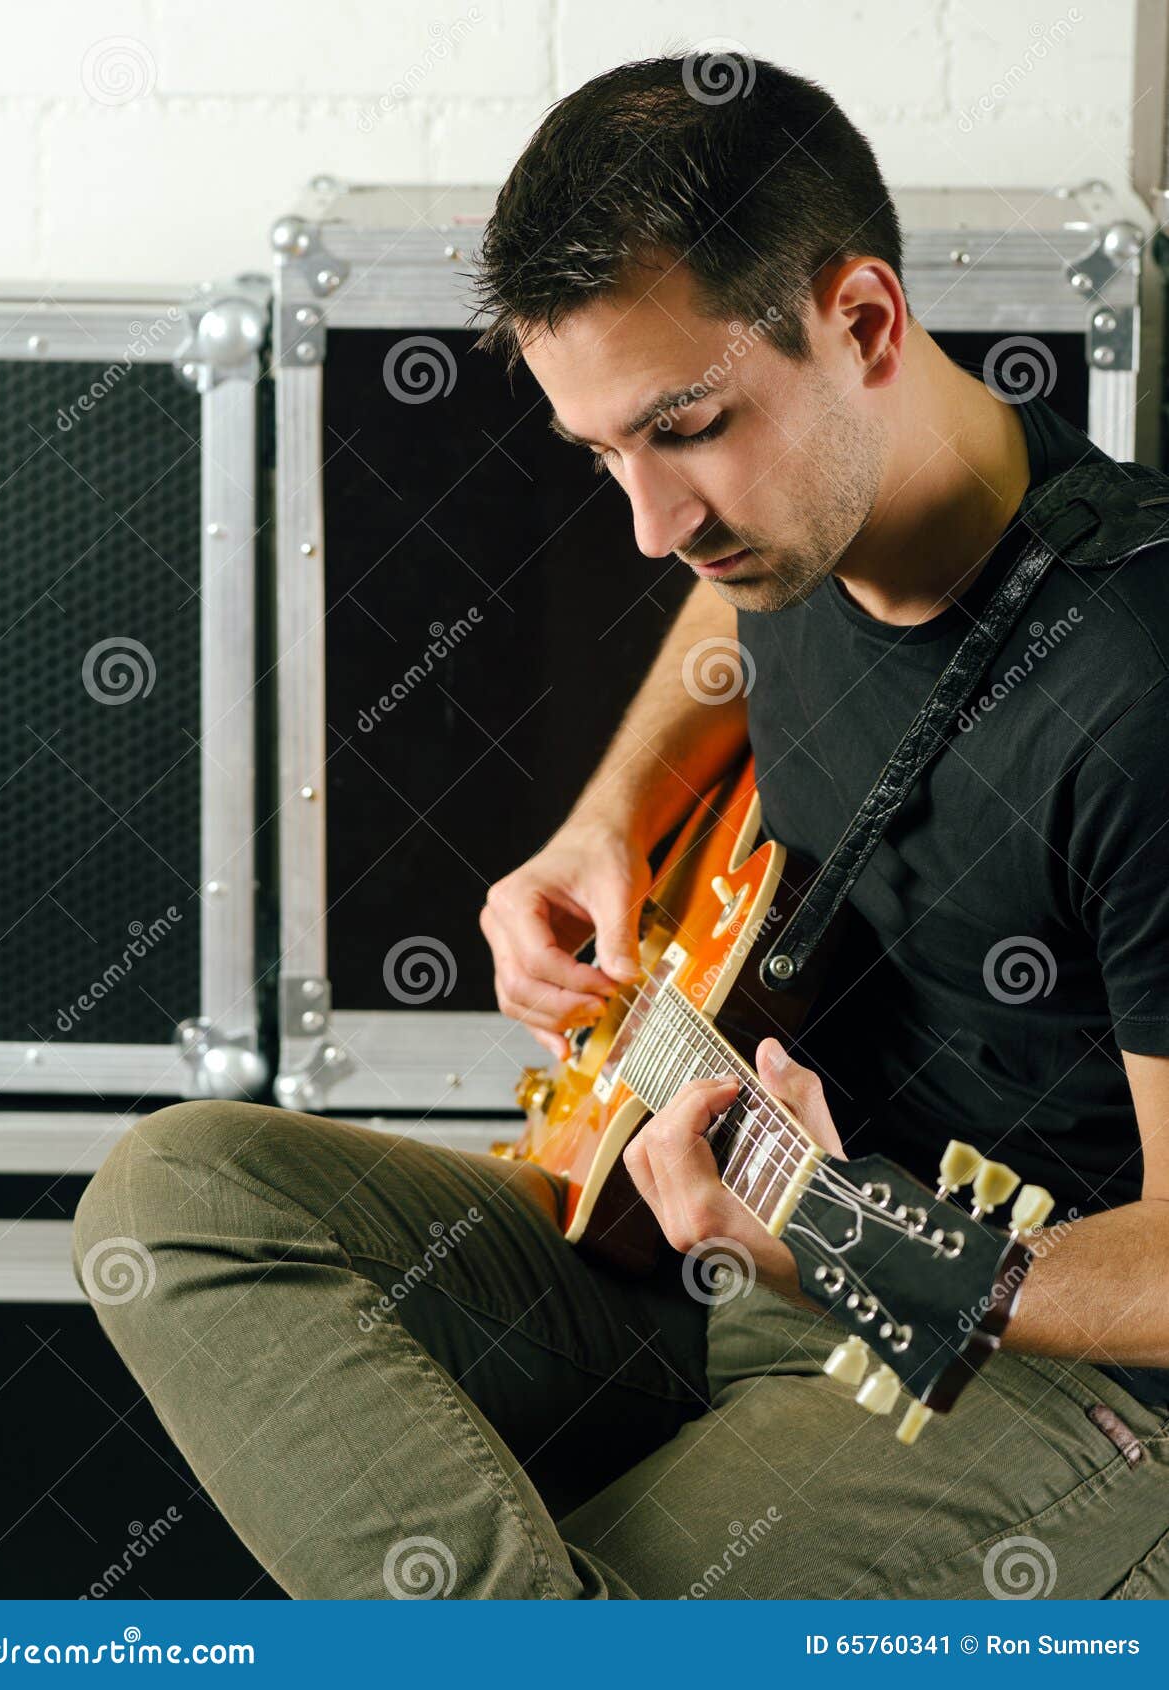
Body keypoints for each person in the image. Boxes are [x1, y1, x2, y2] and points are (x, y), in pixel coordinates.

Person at [73, 54, 1169, 1600]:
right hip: (726, 1264)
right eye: (603, 454)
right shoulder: (796, 521)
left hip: (1043, 1386)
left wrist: (860, 1245)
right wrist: (612, 819)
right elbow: (727, 622)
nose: (653, 525)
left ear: (861, 323)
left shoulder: (1132, 686)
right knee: (175, 1194)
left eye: (686, 428)